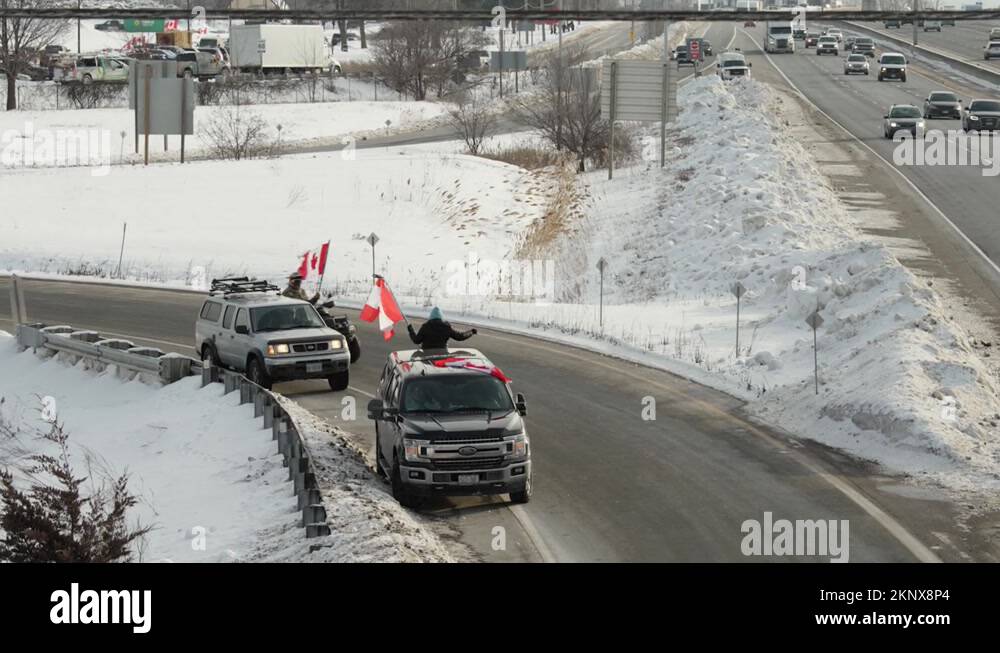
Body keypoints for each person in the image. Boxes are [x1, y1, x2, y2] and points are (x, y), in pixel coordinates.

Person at [407, 307, 476, 350]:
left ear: (431, 316)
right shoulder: (447, 327)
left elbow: (416, 340)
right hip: (442, 355)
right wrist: (471, 332)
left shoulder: (425, 327)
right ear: (441, 316)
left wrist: (411, 330)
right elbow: (460, 337)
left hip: (426, 355)